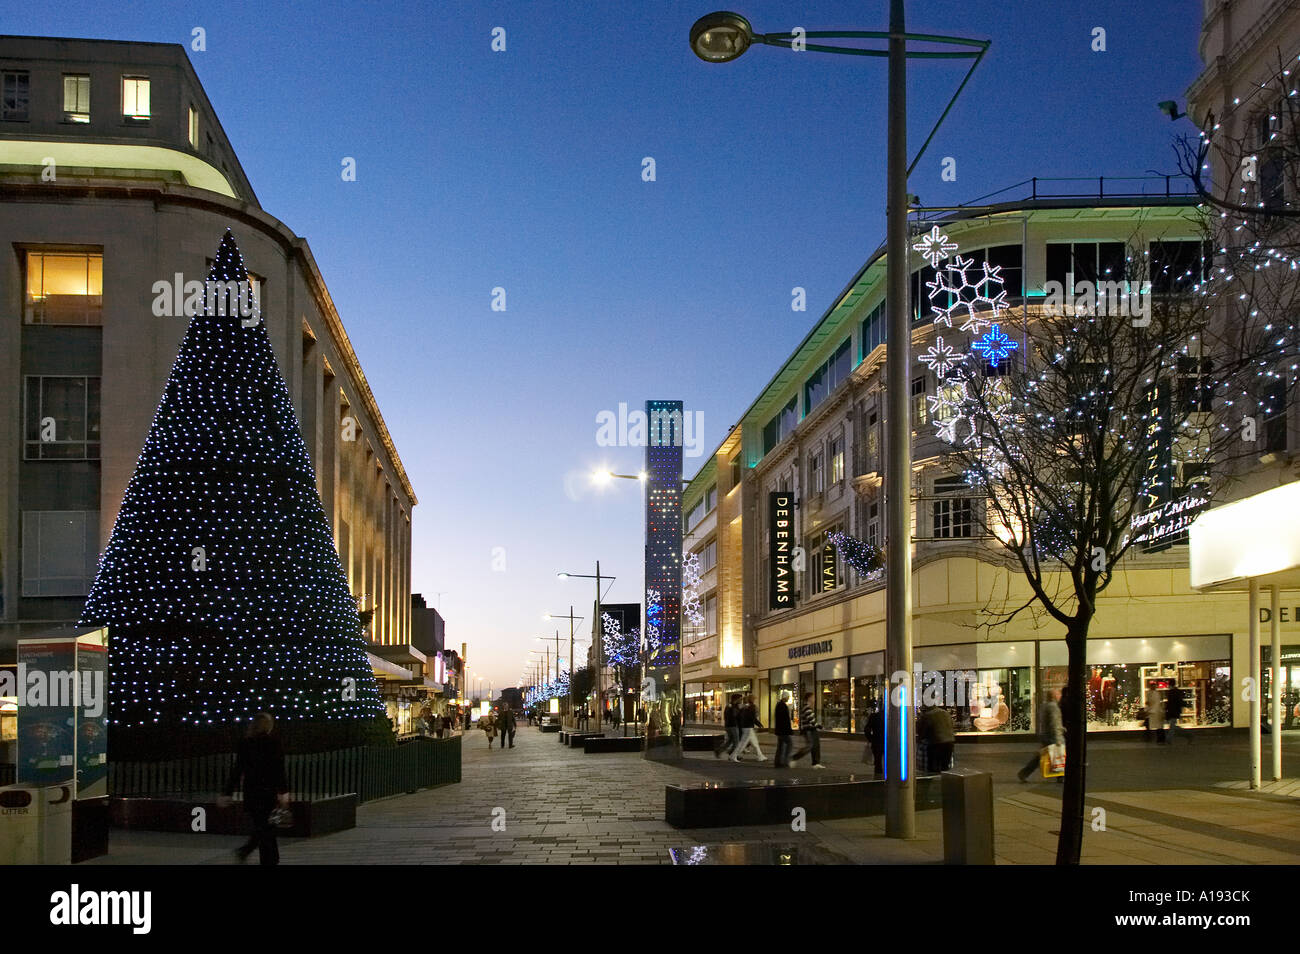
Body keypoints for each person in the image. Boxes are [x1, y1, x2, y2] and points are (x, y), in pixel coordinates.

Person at [220, 712, 289, 865]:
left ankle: (258, 854)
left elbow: (237, 770)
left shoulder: (245, 743)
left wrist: (227, 792)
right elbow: (279, 769)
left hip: (251, 791)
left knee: (262, 825)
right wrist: (284, 791)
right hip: (268, 791)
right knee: (268, 827)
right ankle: (262, 856)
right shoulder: (273, 743)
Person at [1018, 688, 1063, 782]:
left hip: (1046, 735)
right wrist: (1058, 738)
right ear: (1054, 696)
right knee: (1056, 755)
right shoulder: (1053, 707)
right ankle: (1060, 776)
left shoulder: (1045, 706)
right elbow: (1054, 723)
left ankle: (1024, 773)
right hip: (1052, 736)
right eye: (1058, 694)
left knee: (1042, 756)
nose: (1060, 696)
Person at [792, 692, 826, 769]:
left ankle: (816, 763)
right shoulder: (806, 708)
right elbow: (812, 721)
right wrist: (820, 726)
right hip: (808, 730)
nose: (814, 699)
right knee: (810, 746)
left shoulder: (808, 708)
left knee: (816, 746)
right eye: (813, 697)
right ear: (809, 698)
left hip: (811, 729)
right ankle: (794, 758)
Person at [918, 704, 955, 772]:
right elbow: (952, 725)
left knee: (932, 767)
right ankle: (944, 780)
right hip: (949, 741)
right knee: (945, 766)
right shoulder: (945, 712)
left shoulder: (927, 715)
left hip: (936, 743)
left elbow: (922, 731)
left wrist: (919, 740)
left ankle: (933, 780)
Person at [731, 693, 765, 761]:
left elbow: (740, 716)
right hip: (748, 727)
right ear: (752, 699)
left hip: (747, 726)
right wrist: (759, 724)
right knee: (742, 743)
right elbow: (752, 717)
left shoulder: (746, 707)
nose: (755, 699)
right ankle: (734, 755)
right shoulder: (751, 707)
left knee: (755, 743)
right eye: (754, 698)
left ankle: (760, 756)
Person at [715, 693, 741, 759]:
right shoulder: (732, 706)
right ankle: (733, 754)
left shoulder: (730, 706)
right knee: (736, 742)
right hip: (733, 726)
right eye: (740, 699)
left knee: (730, 740)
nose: (741, 700)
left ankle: (719, 750)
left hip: (729, 725)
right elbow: (734, 716)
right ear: (736, 699)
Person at [773, 691, 794, 768]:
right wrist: (789, 730)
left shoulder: (779, 705)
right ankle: (785, 761)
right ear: (785, 697)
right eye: (788, 697)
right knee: (789, 744)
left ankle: (778, 762)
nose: (788, 698)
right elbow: (784, 720)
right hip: (783, 730)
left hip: (780, 730)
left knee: (780, 746)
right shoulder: (782, 706)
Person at [864, 702, 885, 779]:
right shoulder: (892, 717)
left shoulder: (875, 716)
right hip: (888, 743)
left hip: (877, 742)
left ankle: (878, 777)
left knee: (878, 762)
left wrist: (871, 739)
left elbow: (867, 729)